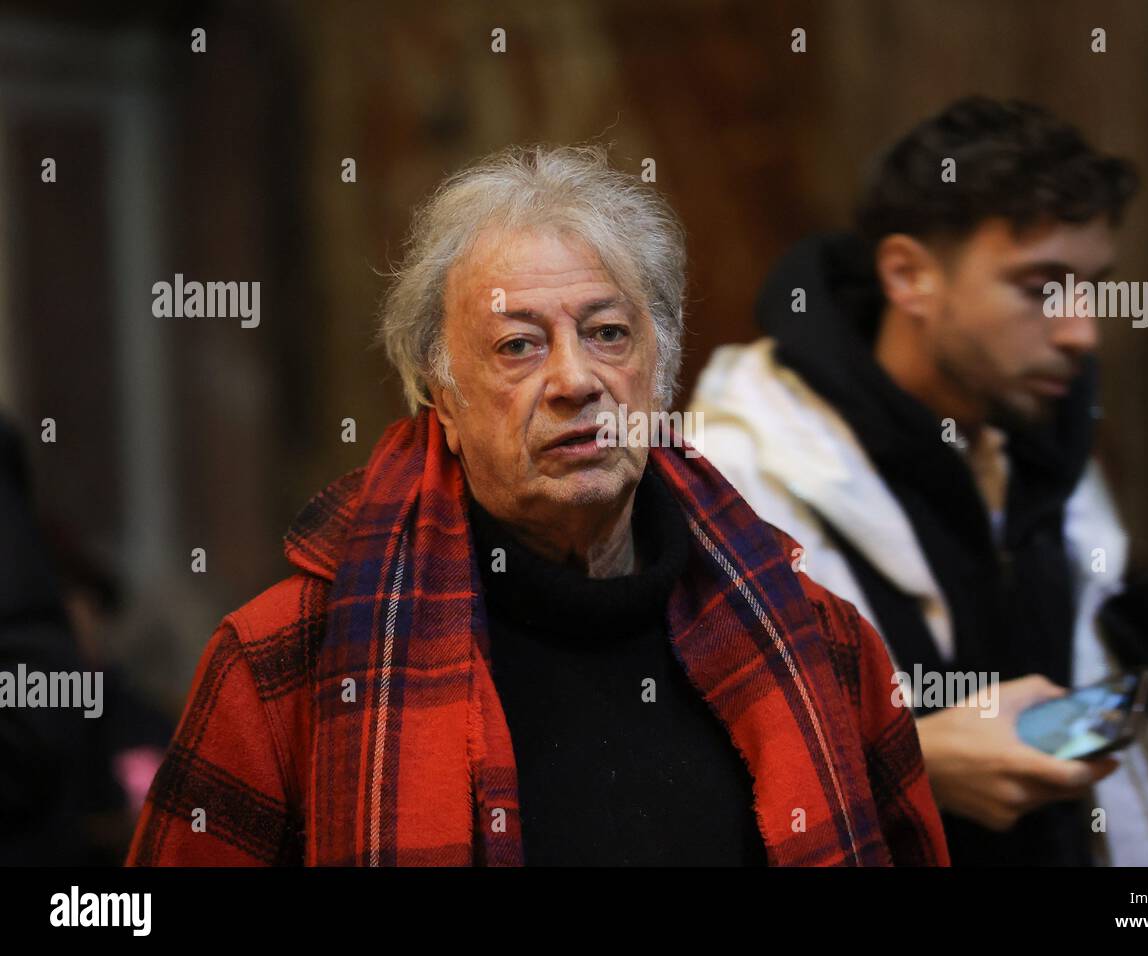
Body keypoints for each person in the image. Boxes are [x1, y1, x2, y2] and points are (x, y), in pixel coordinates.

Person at [126, 145, 948, 867]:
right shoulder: (286, 664)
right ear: (439, 396)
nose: (575, 380)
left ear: (661, 371)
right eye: (518, 344)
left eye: (609, 333)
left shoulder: (821, 642)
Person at [689, 97, 1148, 865]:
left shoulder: (1044, 447)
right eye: (1040, 287)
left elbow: (1096, 721)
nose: (1082, 331)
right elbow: (678, 785)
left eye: (1093, 286)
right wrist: (910, 765)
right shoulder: (735, 475)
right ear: (909, 275)